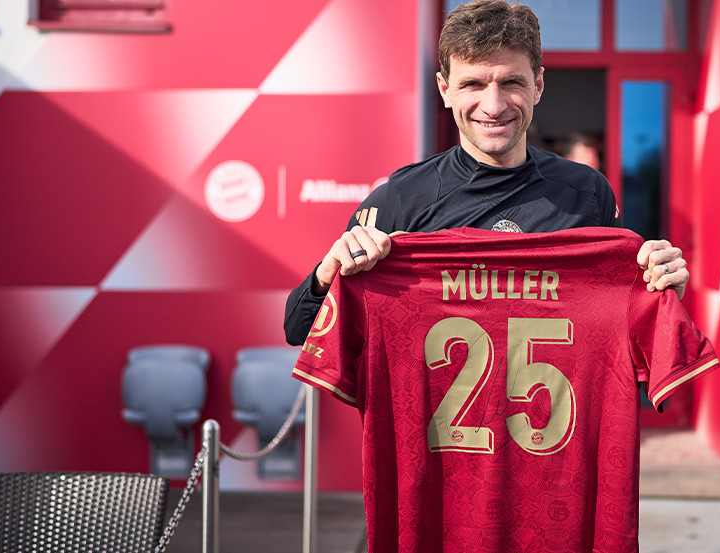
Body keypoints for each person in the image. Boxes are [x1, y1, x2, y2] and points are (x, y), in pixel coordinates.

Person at [283, 0, 689, 347]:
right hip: (435, 441)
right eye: (473, 84)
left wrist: (659, 292)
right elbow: (298, 330)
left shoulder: (588, 192)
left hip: (554, 437)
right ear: (444, 90)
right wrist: (327, 274)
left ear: (538, 86)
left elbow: (626, 335)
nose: (493, 106)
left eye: (511, 82)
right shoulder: (401, 197)